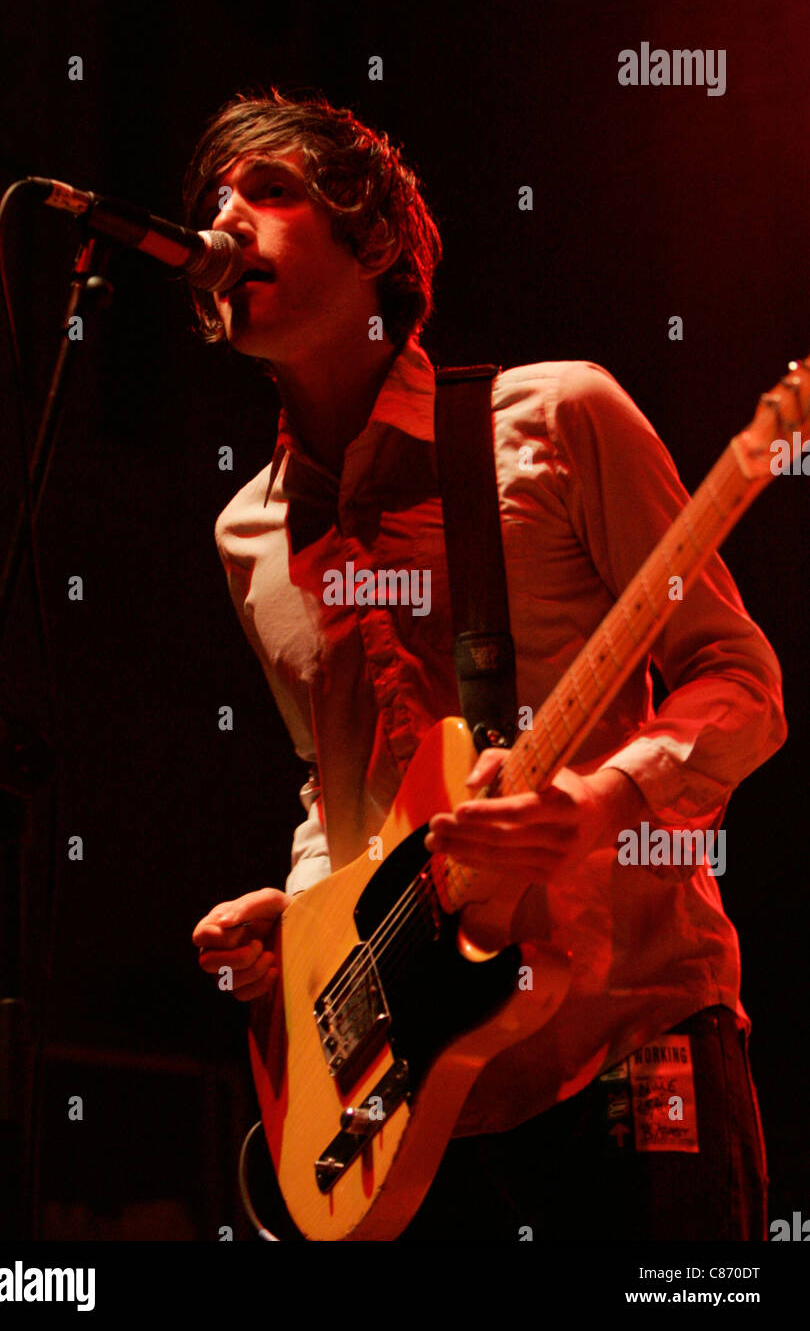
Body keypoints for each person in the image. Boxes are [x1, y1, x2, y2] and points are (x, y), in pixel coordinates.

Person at [187, 89, 786, 1241]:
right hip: (421, 1110)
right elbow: (336, 789)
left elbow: (739, 678)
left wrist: (600, 801)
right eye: (215, 199)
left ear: (373, 239)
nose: (226, 220)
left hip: (627, 1035)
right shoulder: (244, 534)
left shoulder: (559, 416)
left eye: (269, 191)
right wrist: (303, 919)